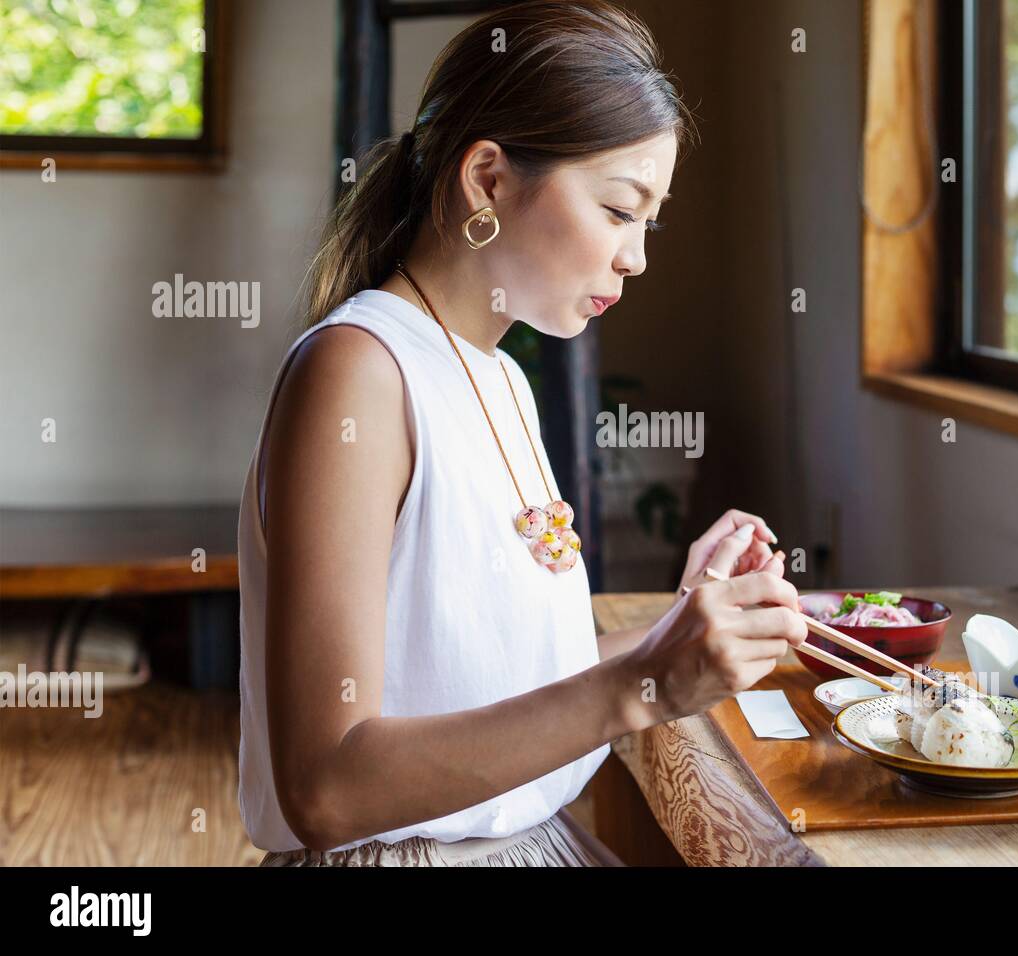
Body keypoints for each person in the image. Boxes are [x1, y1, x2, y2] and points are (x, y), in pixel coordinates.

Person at [237, 0, 807, 867]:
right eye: (621, 210)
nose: (637, 257)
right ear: (489, 180)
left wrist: (680, 632)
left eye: (650, 221)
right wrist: (643, 681)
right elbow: (325, 788)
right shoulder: (358, 373)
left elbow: (495, 678)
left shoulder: (498, 375)